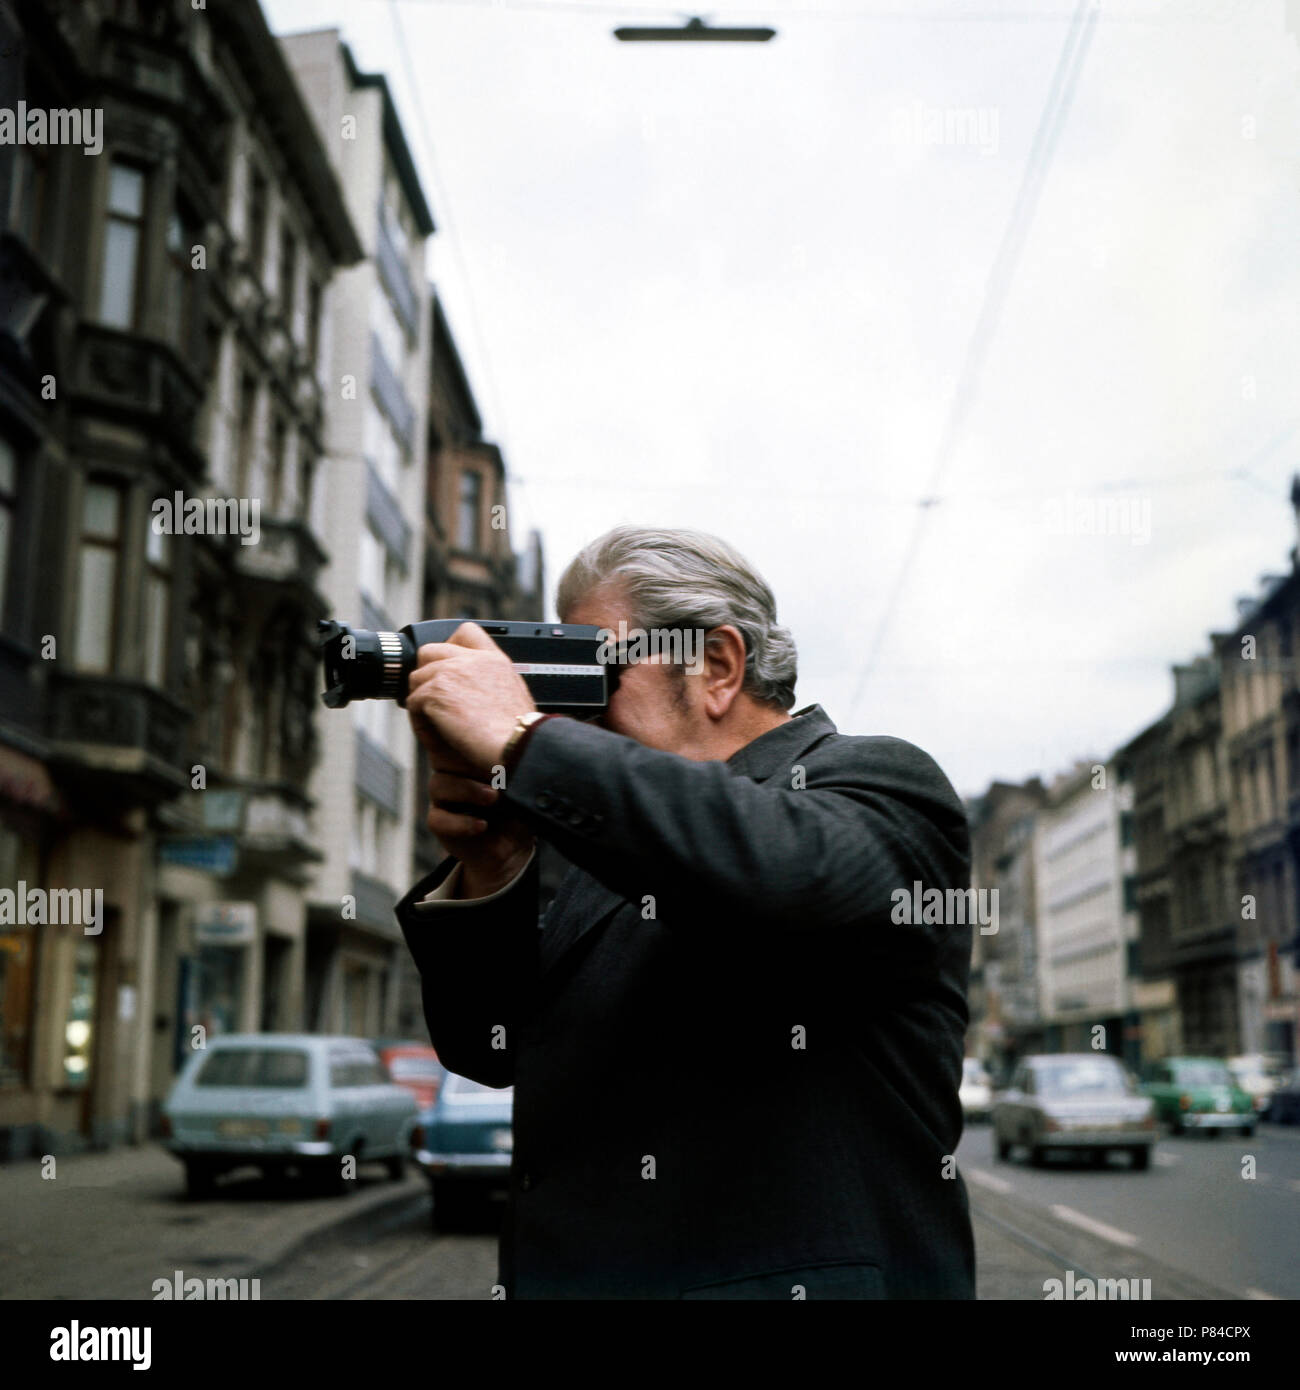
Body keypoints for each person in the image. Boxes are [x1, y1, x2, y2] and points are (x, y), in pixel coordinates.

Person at [397, 525, 976, 1299]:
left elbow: (784, 874)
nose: (574, 710)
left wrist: (525, 741)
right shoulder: (605, 852)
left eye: (597, 668)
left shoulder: (877, 783)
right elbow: (487, 1047)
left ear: (717, 665)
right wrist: (492, 869)